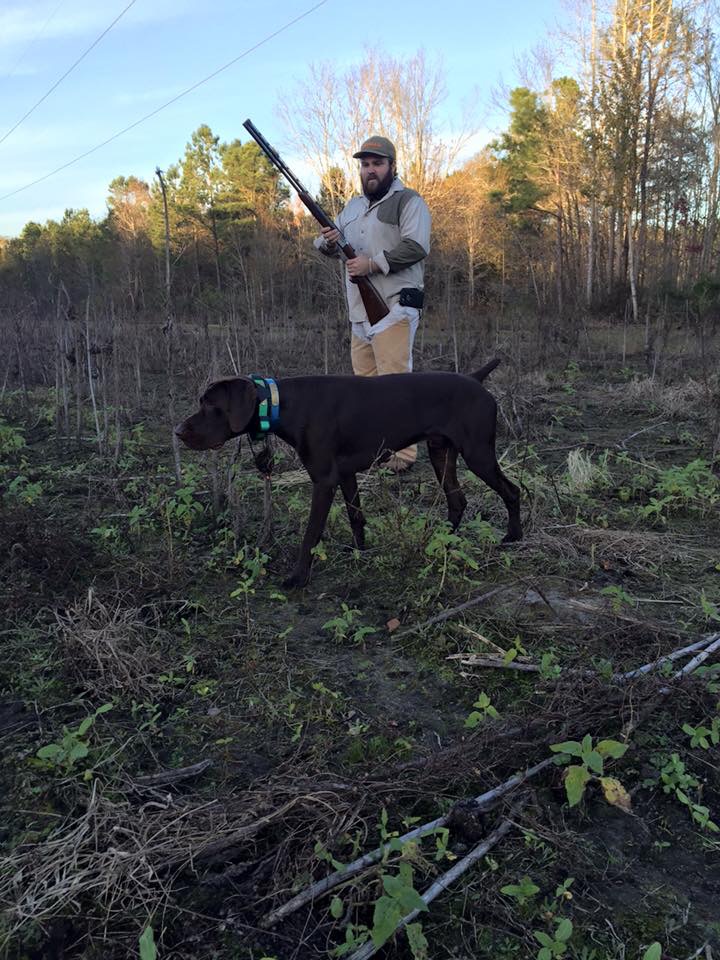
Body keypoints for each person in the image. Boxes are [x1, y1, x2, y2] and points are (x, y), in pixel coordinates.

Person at [315, 135, 431, 471]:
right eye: (365, 164)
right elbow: (323, 243)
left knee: (394, 385)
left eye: (377, 163)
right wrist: (329, 242)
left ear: (392, 167)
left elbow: (417, 246)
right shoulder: (352, 207)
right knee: (365, 386)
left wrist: (372, 263)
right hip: (359, 311)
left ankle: (404, 456)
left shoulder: (409, 201)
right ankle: (376, 449)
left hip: (395, 305)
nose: (370, 170)